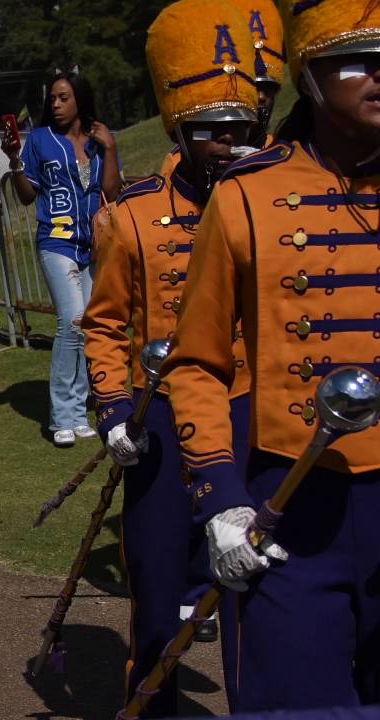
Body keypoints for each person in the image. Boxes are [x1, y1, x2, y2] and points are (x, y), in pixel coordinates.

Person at [161, 0, 380, 710]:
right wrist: (220, 498)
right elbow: (196, 363)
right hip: (292, 508)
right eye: (358, 59)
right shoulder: (246, 197)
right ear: (309, 77)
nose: (379, 76)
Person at [83, 0, 258, 713]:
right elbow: (101, 325)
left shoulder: (263, 213)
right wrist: (115, 408)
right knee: (155, 586)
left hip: (246, 415)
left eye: (241, 131)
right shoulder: (131, 218)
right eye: (213, 132)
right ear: (181, 131)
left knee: (250, 590)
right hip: (158, 426)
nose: (228, 145)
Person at [2, 70, 122, 447]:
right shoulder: (39, 139)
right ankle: (61, 417)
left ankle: (78, 407)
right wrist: (15, 161)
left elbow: (112, 192)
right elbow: (25, 196)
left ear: (80, 100)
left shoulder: (99, 139)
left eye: (63, 97)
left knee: (88, 326)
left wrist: (113, 149)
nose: (55, 104)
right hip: (55, 242)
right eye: (52, 98)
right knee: (71, 321)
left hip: (92, 246)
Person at [159, 0, 285, 176]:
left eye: (268, 88)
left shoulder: (285, 151)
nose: (260, 97)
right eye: (253, 87)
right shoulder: (176, 163)